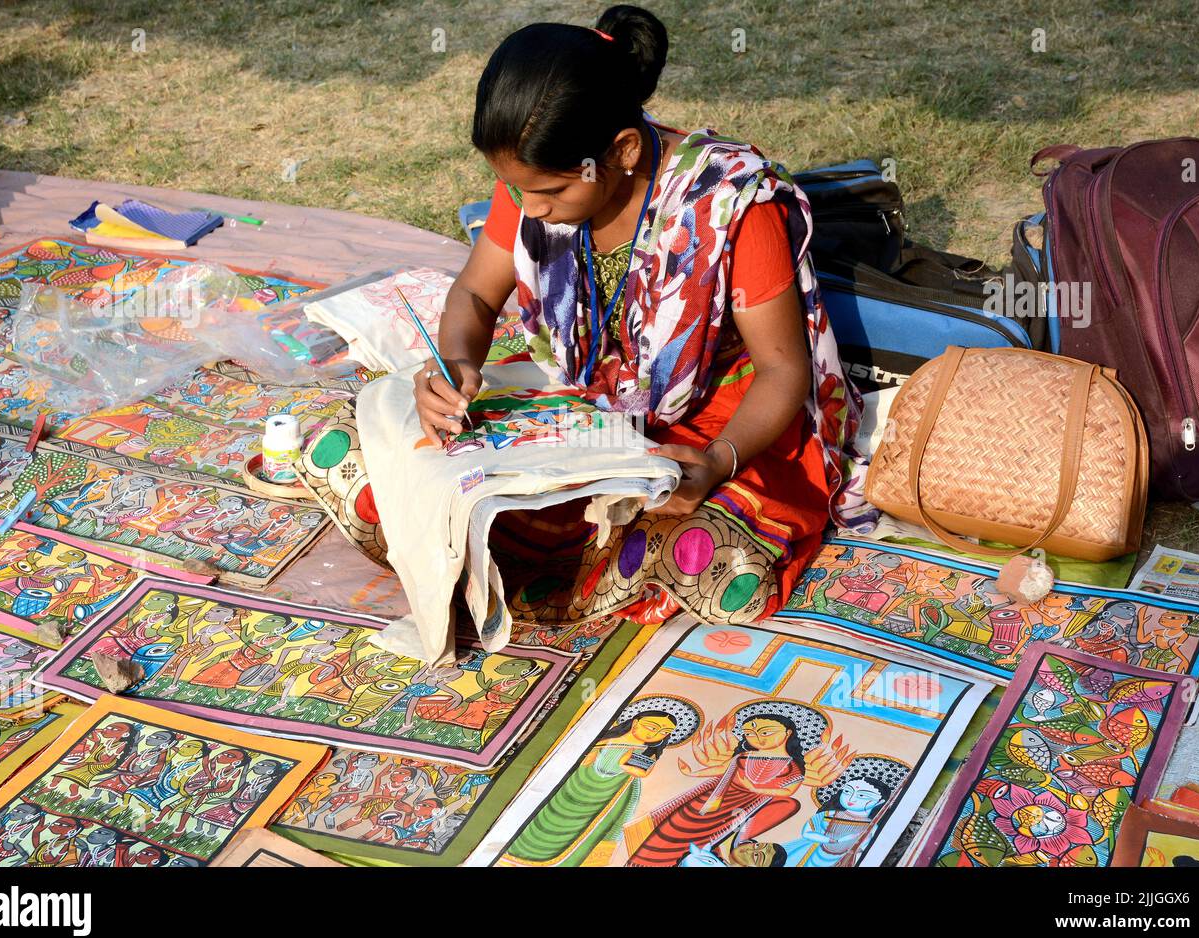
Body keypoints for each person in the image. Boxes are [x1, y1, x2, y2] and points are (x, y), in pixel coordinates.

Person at [314, 5, 871, 628]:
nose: (533, 209)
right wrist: (455, 363)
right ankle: (555, 546)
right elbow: (473, 296)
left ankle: (550, 553)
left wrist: (718, 461)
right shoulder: (536, 175)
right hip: (584, 397)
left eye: (551, 193)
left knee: (706, 556)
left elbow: (781, 371)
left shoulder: (728, 204)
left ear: (623, 151)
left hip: (717, 421)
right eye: (518, 190)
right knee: (361, 460)